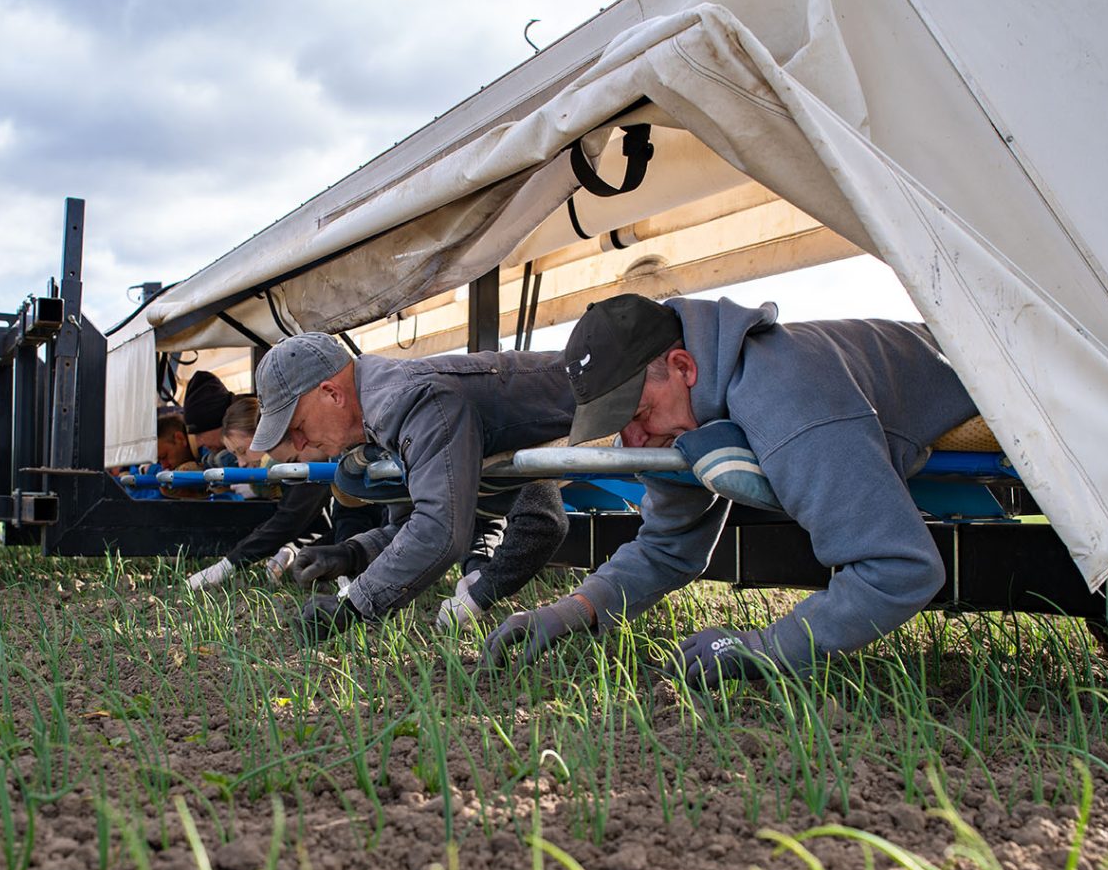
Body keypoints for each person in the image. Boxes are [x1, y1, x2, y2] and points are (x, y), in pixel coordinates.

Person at [482, 293, 979, 686]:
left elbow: (899, 568)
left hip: (1006, 379)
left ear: (683, 367)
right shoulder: (679, 414)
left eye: (637, 414)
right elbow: (667, 547)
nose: (632, 442)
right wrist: (578, 608)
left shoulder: (787, 399)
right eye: (618, 425)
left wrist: (763, 649)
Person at [247, 331, 577, 635]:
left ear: (331, 393)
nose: (300, 445)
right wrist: (353, 553)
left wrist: (353, 605)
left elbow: (439, 529)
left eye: (298, 427)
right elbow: (426, 517)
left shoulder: (412, 402)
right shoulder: (384, 417)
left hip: (612, 404)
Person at [185, 395, 386, 590]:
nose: (241, 463)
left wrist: (228, 565)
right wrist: (298, 550)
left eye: (242, 450)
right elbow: (334, 517)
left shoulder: (318, 456)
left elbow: (291, 517)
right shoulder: (321, 458)